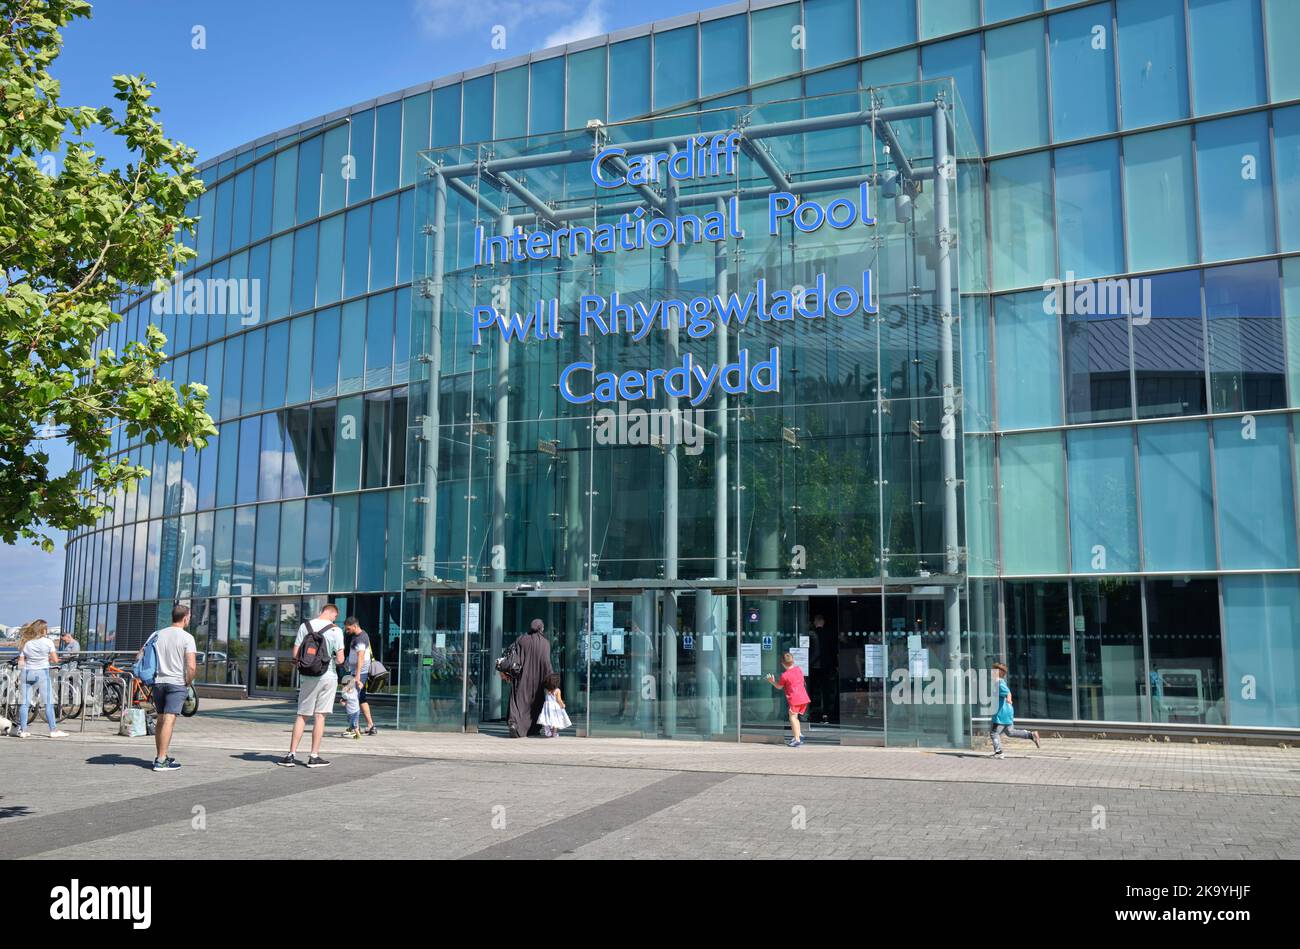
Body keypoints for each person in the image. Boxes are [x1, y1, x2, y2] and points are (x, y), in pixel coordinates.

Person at [279, 603, 345, 768]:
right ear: (332, 614)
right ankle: (314, 756)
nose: (335, 619)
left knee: (302, 715)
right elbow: (341, 659)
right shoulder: (336, 630)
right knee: (320, 716)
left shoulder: (305, 626)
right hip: (327, 676)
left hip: (307, 677)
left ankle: (290, 755)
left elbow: (295, 655)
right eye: (335, 616)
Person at [140, 604, 197, 772]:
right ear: (185, 618)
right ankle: (162, 760)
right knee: (169, 720)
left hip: (158, 682)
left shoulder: (156, 634)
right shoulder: (187, 637)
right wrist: (188, 682)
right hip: (176, 682)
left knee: (161, 719)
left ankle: (160, 755)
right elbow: (192, 667)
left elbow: (141, 654)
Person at [16, 620, 67, 739]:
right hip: (42, 672)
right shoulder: (48, 642)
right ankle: (53, 730)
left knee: (25, 703)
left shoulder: (26, 642)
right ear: (43, 629)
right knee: (48, 702)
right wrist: (45, 659)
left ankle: (23, 730)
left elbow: (21, 661)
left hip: (27, 672)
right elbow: (55, 660)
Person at [504, 618, 553, 738]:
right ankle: (532, 729)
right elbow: (546, 663)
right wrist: (550, 680)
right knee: (535, 704)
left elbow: (516, 657)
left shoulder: (522, 639)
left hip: (522, 678)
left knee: (518, 701)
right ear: (541, 628)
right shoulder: (545, 643)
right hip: (538, 680)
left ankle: (514, 724)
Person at [989, 662, 1040, 758]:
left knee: (994, 733)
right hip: (1008, 712)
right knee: (1010, 732)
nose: (991, 672)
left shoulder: (998, 683)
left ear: (999, 672)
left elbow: (1008, 692)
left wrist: (1009, 698)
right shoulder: (1000, 682)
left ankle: (999, 753)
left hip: (1001, 714)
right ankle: (1031, 735)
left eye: (993, 671)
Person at [766, 652, 811, 748]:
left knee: (792, 718)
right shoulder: (799, 670)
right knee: (796, 717)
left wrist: (772, 681)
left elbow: (779, 687)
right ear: (793, 661)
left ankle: (797, 739)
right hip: (803, 697)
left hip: (795, 699)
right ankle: (799, 735)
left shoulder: (784, 675)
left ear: (782, 663)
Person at [343, 616, 376, 735]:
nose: (347, 631)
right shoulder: (359, 636)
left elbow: (361, 657)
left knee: (351, 699)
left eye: (348, 629)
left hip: (359, 673)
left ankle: (354, 728)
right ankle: (370, 725)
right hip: (358, 672)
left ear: (354, 626)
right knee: (361, 698)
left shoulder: (360, 638)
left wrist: (356, 677)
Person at [537, 673, 571, 738]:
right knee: (555, 719)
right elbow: (558, 700)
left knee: (546, 718)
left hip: (547, 706)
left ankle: (547, 730)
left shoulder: (546, 690)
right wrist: (562, 704)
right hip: (555, 707)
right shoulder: (557, 690)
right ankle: (554, 733)